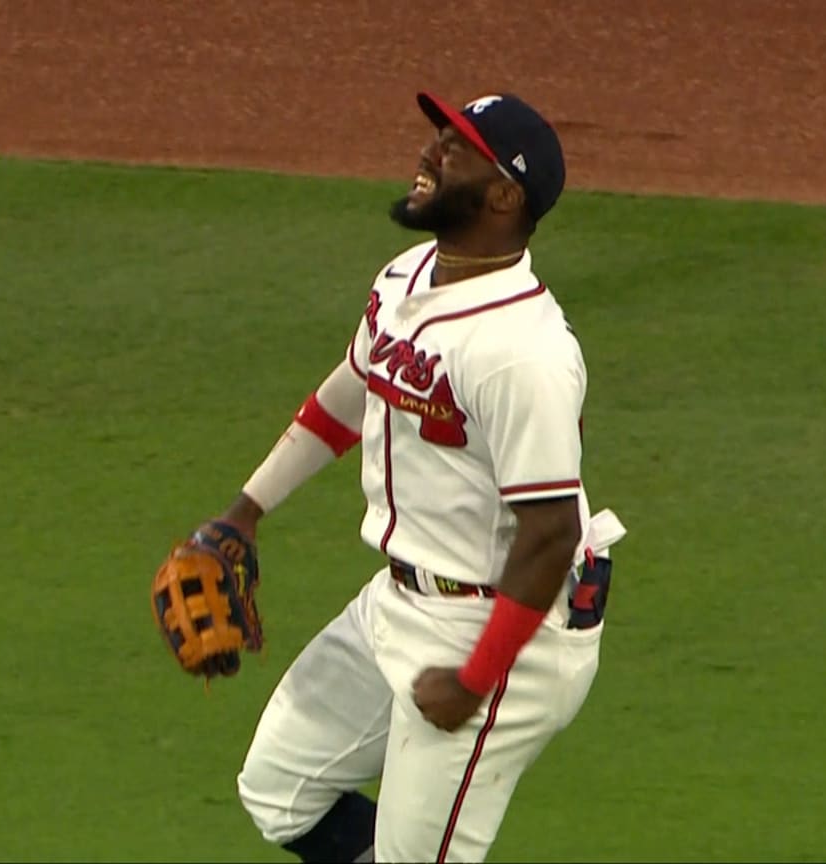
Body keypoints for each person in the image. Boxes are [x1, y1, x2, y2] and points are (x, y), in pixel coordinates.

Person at [203, 91, 624, 863]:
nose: (430, 154)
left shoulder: (520, 353)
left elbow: (551, 532)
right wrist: (244, 511)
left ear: (503, 196)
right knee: (279, 787)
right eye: (439, 137)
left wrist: (472, 681)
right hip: (397, 604)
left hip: (500, 634)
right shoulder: (407, 277)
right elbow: (350, 393)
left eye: (456, 148)